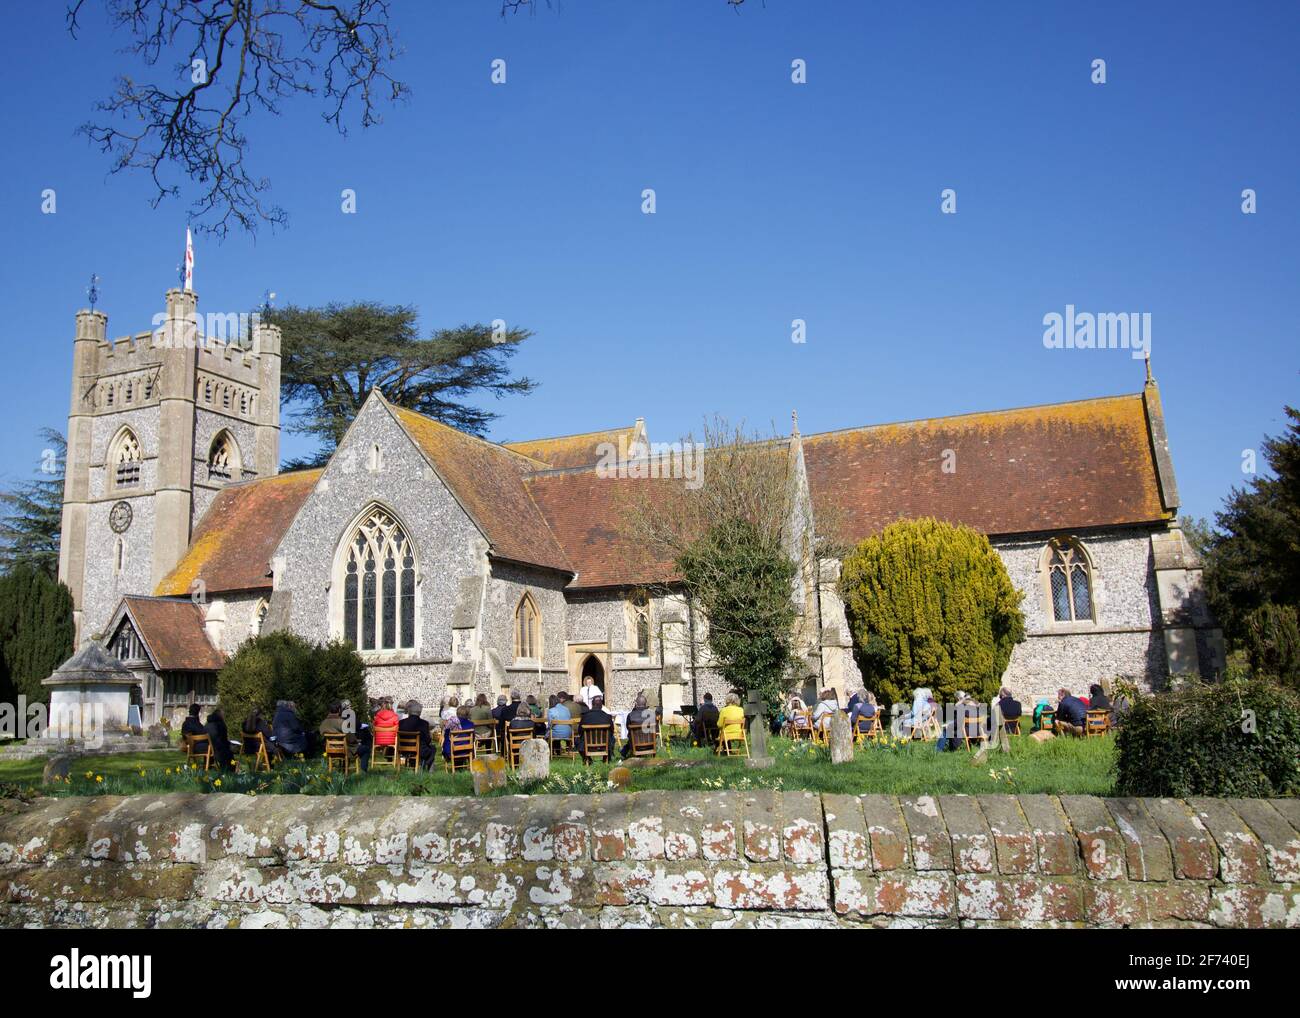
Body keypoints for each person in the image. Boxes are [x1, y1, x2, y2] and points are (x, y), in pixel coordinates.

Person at [320, 701, 365, 770]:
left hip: (329, 748)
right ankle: (363, 770)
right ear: (339, 710)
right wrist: (357, 742)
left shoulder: (323, 723)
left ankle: (332, 767)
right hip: (344, 749)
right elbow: (351, 739)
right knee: (365, 749)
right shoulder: (343, 722)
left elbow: (322, 735)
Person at [399, 699, 436, 770]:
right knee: (433, 748)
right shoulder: (424, 723)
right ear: (420, 712)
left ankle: (418, 764)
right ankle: (426, 765)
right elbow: (427, 740)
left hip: (403, 750)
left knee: (428, 748)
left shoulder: (401, 722)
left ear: (409, 711)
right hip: (420, 750)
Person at [576, 695, 614, 759]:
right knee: (612, 738)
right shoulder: (608, 716)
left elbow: (580, 731)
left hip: (587, 745)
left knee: (578, 740)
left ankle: (587, 760)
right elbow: (612, 731)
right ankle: (606, 759)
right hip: (605, 745)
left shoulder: (585, 716)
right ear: (601, 706)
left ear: (592, 705)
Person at [621, 694, 657, 758]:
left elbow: (628, 728)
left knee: (631, 737)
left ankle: (624, 751)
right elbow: (656, 730)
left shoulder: (630, 715)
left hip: (635, 745)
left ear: (636, 704)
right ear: (645, 704)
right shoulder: (652, 715)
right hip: (650, 745)